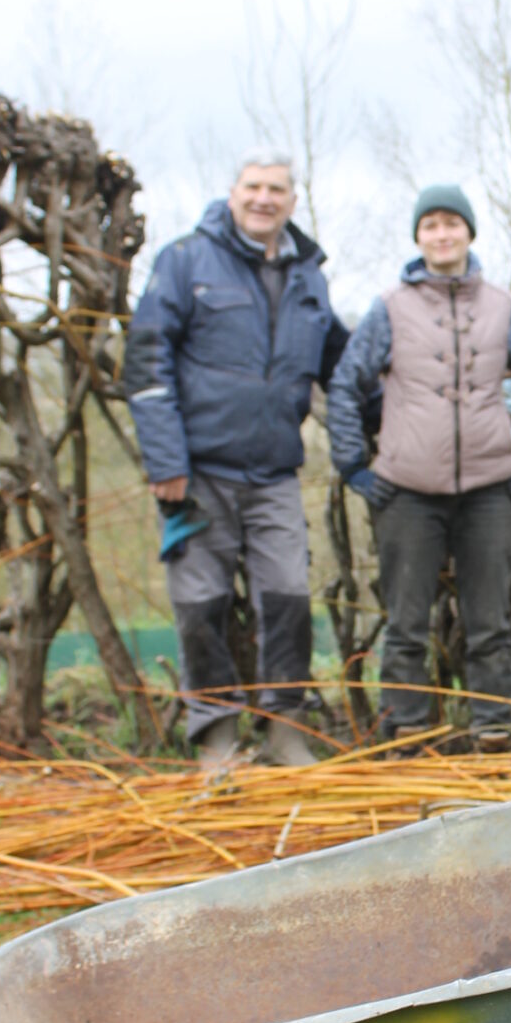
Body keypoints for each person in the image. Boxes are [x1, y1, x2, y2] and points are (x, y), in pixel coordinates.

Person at [124, 151, 348, 768]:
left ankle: (284, 731)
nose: (263, 199)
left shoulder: (309, 275)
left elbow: (344, 368)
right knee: (202, 610)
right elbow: (146, 362)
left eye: (276, 189)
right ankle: (216, 740)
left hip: (275, 471)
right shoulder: (185, 261)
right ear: (232, 193)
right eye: (253, 187)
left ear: (292, 201)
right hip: (196, 474)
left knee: (288, 600)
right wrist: (165, 460)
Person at [326, 185, 511, 751]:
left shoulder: (504, 308)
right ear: (418, 237)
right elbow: (345, 386)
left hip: (489, 488)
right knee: (406, 620)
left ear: (469, 232)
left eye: (452, 223)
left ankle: (494, 727)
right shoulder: (389, 308)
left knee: (490, 621)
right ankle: (405, 730)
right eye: (430, 224)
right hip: (407, 490)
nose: (442, 233)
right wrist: (354, 465)